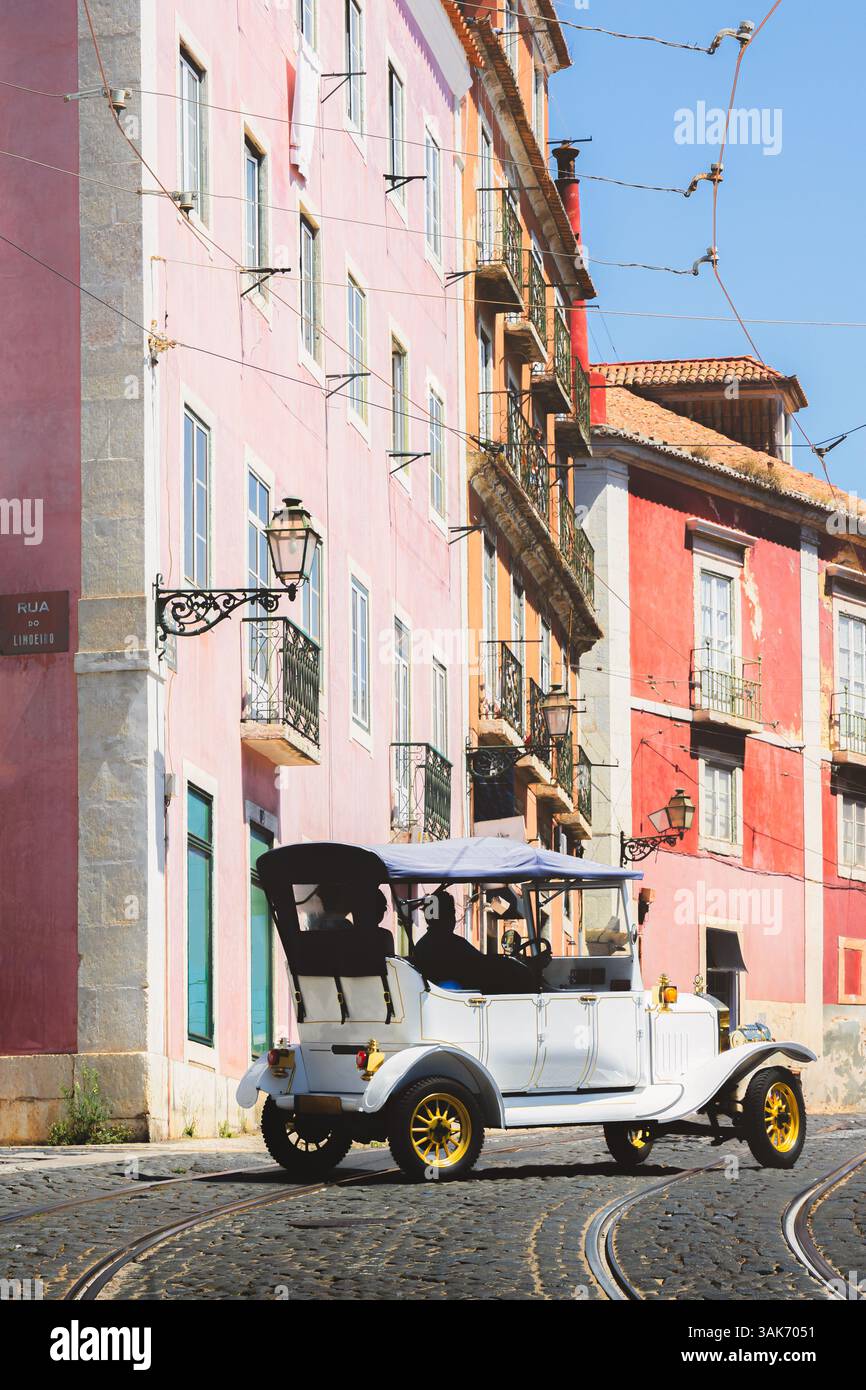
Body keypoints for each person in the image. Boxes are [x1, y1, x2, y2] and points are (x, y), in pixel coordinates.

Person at [411, 889, 537, 995]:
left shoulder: (423, 944)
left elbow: (481, 962)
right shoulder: (452, 944)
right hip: (458, 996)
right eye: (452, 912)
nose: (453, 918)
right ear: (445, 915)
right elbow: (482, 964)